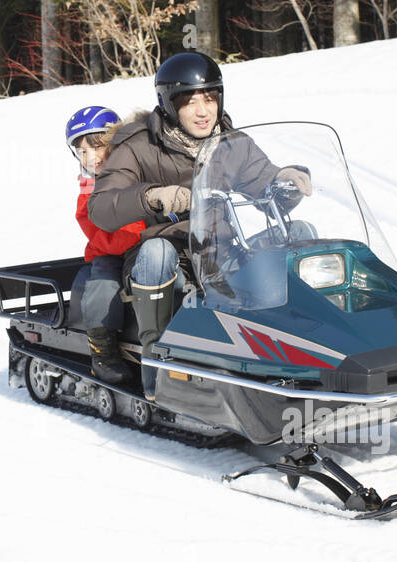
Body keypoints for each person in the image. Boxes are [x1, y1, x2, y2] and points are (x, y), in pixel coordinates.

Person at [87, 52, 311, 400]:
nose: (203, 110)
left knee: (300, 234)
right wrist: (151, 197)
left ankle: (305, 345)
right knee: (157, 250)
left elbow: (264, 184)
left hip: (221, 251)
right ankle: (157, 361)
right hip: (164, 259)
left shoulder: (230, 142)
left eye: (210, 98)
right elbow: (100, 207)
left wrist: (286, 181)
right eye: (190, 102)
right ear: (169, 103)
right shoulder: (138, 145)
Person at [65, 106, 146, 385]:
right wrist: (136, 233)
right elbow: (96, 230)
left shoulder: (134, 170)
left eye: (98, 147)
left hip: (144, 245)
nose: (92, 158)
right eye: (82, 152)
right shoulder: (89, 189)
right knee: (104, 284)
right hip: (110, 252)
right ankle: (103, 349)